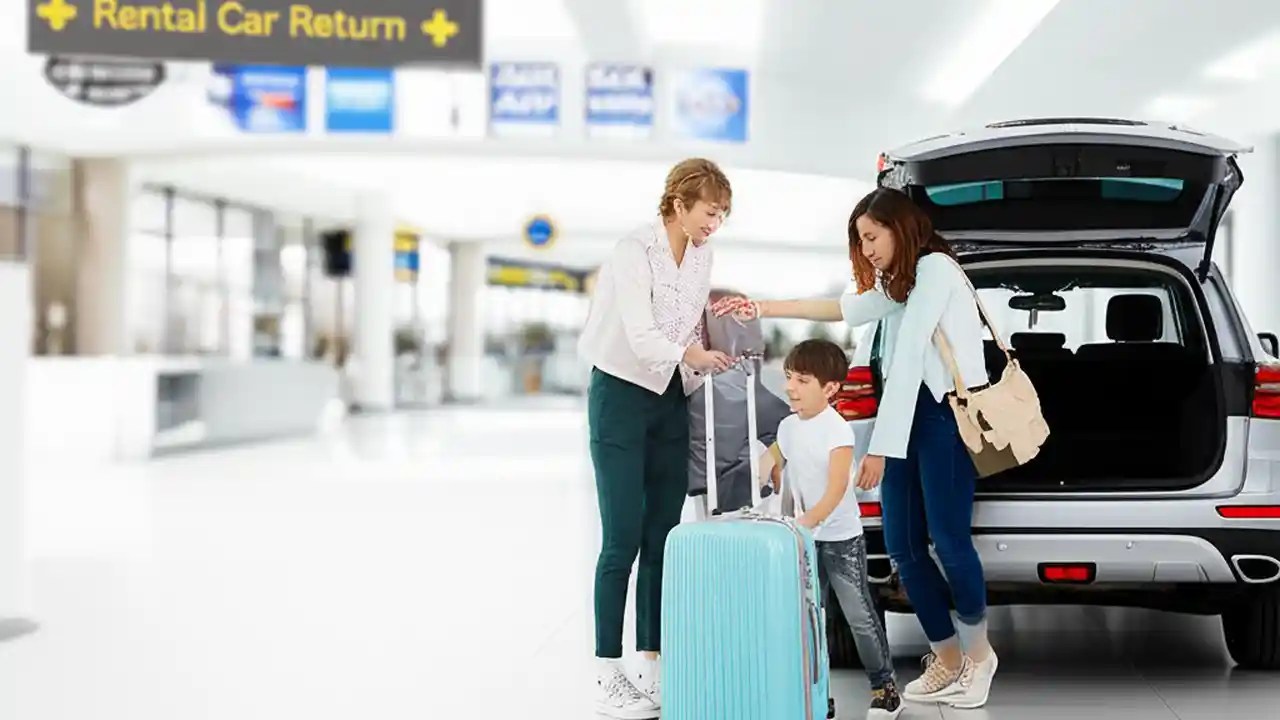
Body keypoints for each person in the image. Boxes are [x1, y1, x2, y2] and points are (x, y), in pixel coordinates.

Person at [712, 187, 998, 709]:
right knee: (904, 547)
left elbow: (911, 355)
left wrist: (879, 449)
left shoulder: (934, 270)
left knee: (949, 542)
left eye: (872, 236)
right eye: (859, 240)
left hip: (940, 417)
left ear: (900, 228)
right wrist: (762, 306)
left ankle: (978, 656)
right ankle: (948, 658)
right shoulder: (902, 283)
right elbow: (845, 310)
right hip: (905, 415)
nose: (866, 249)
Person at [577, 157, 735, 719]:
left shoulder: (703, 256)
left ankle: (651, 660)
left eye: (721, 214)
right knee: (621, 538)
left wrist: (704, 353)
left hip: (672, 397)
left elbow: (688, 326)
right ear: (679, 202)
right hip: (619, 395)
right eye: (709, 210)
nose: (715, 222)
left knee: (662, 539)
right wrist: (691, 352)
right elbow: (643, 336)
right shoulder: (632, 251)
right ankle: (606, 671)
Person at [769, 339, 902, 720]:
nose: (791, 387)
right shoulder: (788, 426)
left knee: (858, 616)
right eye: (789, 377)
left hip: (840, 540)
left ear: (830, 389)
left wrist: (807, 522)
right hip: (806, 539)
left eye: (803, 380)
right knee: (811, 618)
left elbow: (837, 487)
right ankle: (817, 695)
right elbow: (774, 457)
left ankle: (885, 688)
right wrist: (764, 470)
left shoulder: (837, 430)